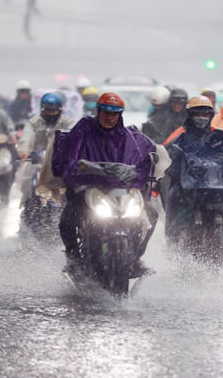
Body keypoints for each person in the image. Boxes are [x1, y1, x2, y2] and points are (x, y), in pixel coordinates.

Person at [52, 92, 157, 272]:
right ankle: (73, 258)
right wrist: (79, 169)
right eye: (106, 112)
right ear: (98, 111)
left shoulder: (129, 136)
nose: (110, 117)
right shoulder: (84, 129)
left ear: (120, 115)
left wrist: (140, 171)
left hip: (122, 191)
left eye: (114, 113)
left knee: (151, 214)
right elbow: (72, 157)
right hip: (90, 188)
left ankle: (136, 257)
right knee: (67, 219)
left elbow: (145, 158)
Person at [163, 95, 223, 247]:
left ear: (210, 116)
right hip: (188, 188)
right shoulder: (180, 137)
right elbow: (166, 155)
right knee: (174, 197)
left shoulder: (220, 136)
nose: (201, 118)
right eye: (198, 114)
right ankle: (174, 239)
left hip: (217, 186)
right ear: (190, 115)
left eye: (205, 114)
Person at [17, 92, 75, 160]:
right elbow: (27, 137)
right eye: (48, 111)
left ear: (60, 111)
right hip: (35, 161)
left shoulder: (67, 122)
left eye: (54, 111)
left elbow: (74, 135)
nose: (51, 114)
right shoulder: (33, 123)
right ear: (42, 110)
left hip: (61, 161)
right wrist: (25, 151)